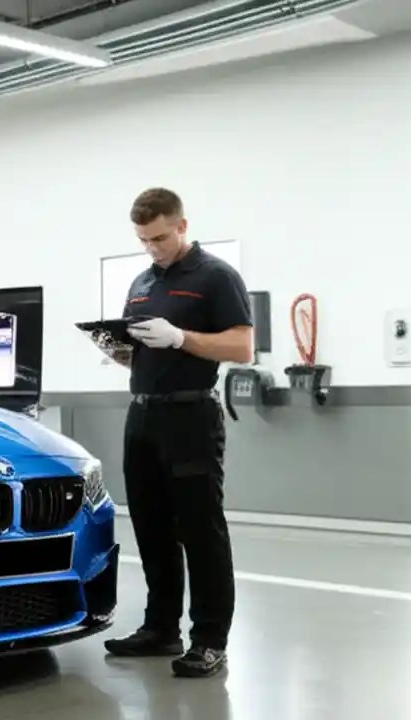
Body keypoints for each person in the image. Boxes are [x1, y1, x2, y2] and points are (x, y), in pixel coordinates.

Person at [97, 187, 253, 678]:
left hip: (190, 417)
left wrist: (181, 337)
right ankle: (160, 627)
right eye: (143, 240)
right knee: (151, 527)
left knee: (200, 531)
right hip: (142, 416)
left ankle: (209, 639)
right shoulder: (141, 282)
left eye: (160, 237)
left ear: (182, 226)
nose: (152, 248)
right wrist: (121, 349)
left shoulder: (216, 277)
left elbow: (242, 346)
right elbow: (138, 348)